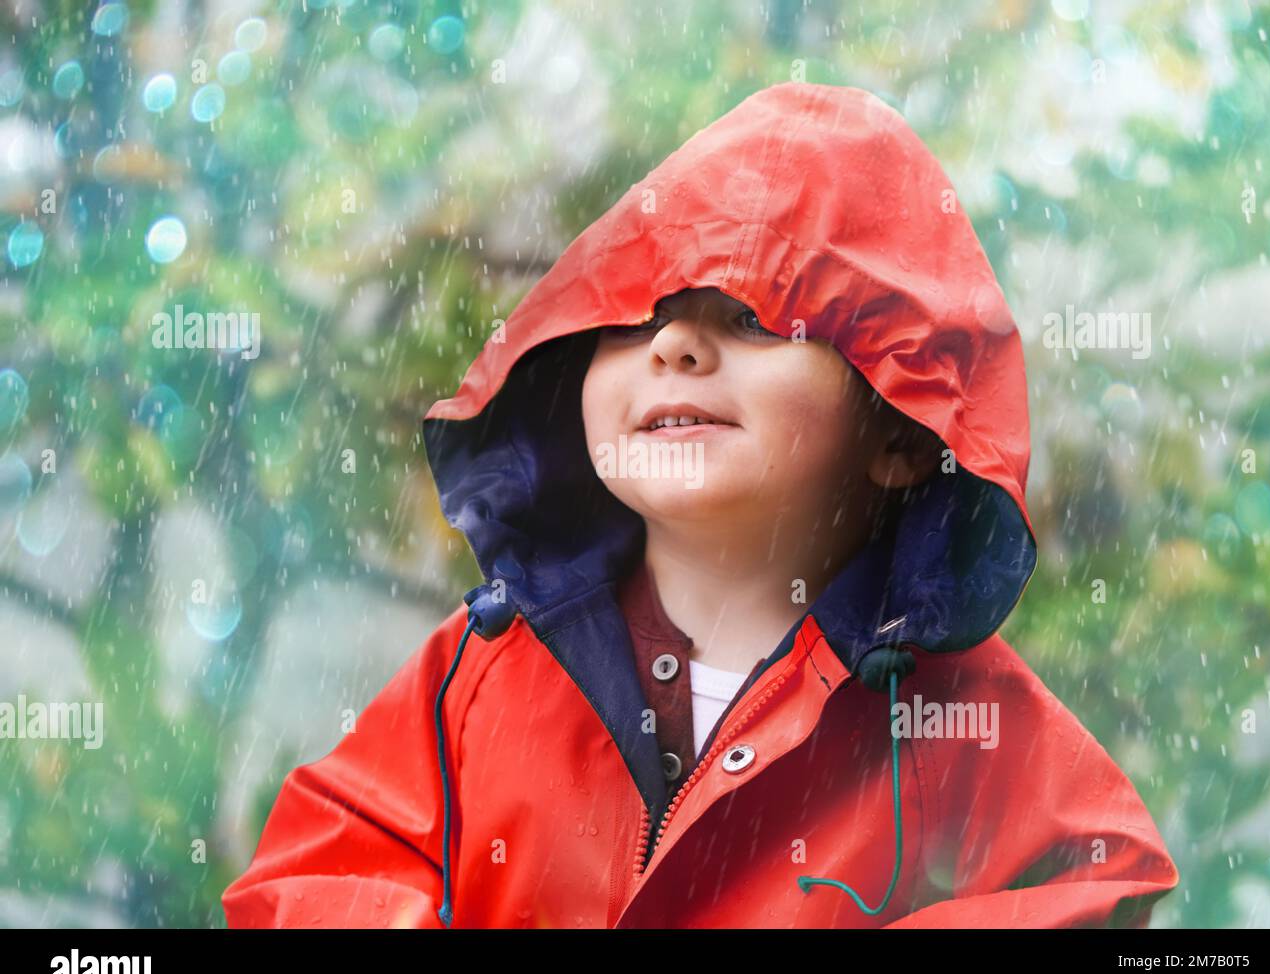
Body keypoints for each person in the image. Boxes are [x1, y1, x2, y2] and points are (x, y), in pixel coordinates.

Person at [221, 81, 1179, 928]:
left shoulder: (960, 723)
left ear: (898, 432)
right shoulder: (483, 669)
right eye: (636, 315)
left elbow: (1092, 877)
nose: (673, 346)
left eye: (756, 319)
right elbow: (326, 859)